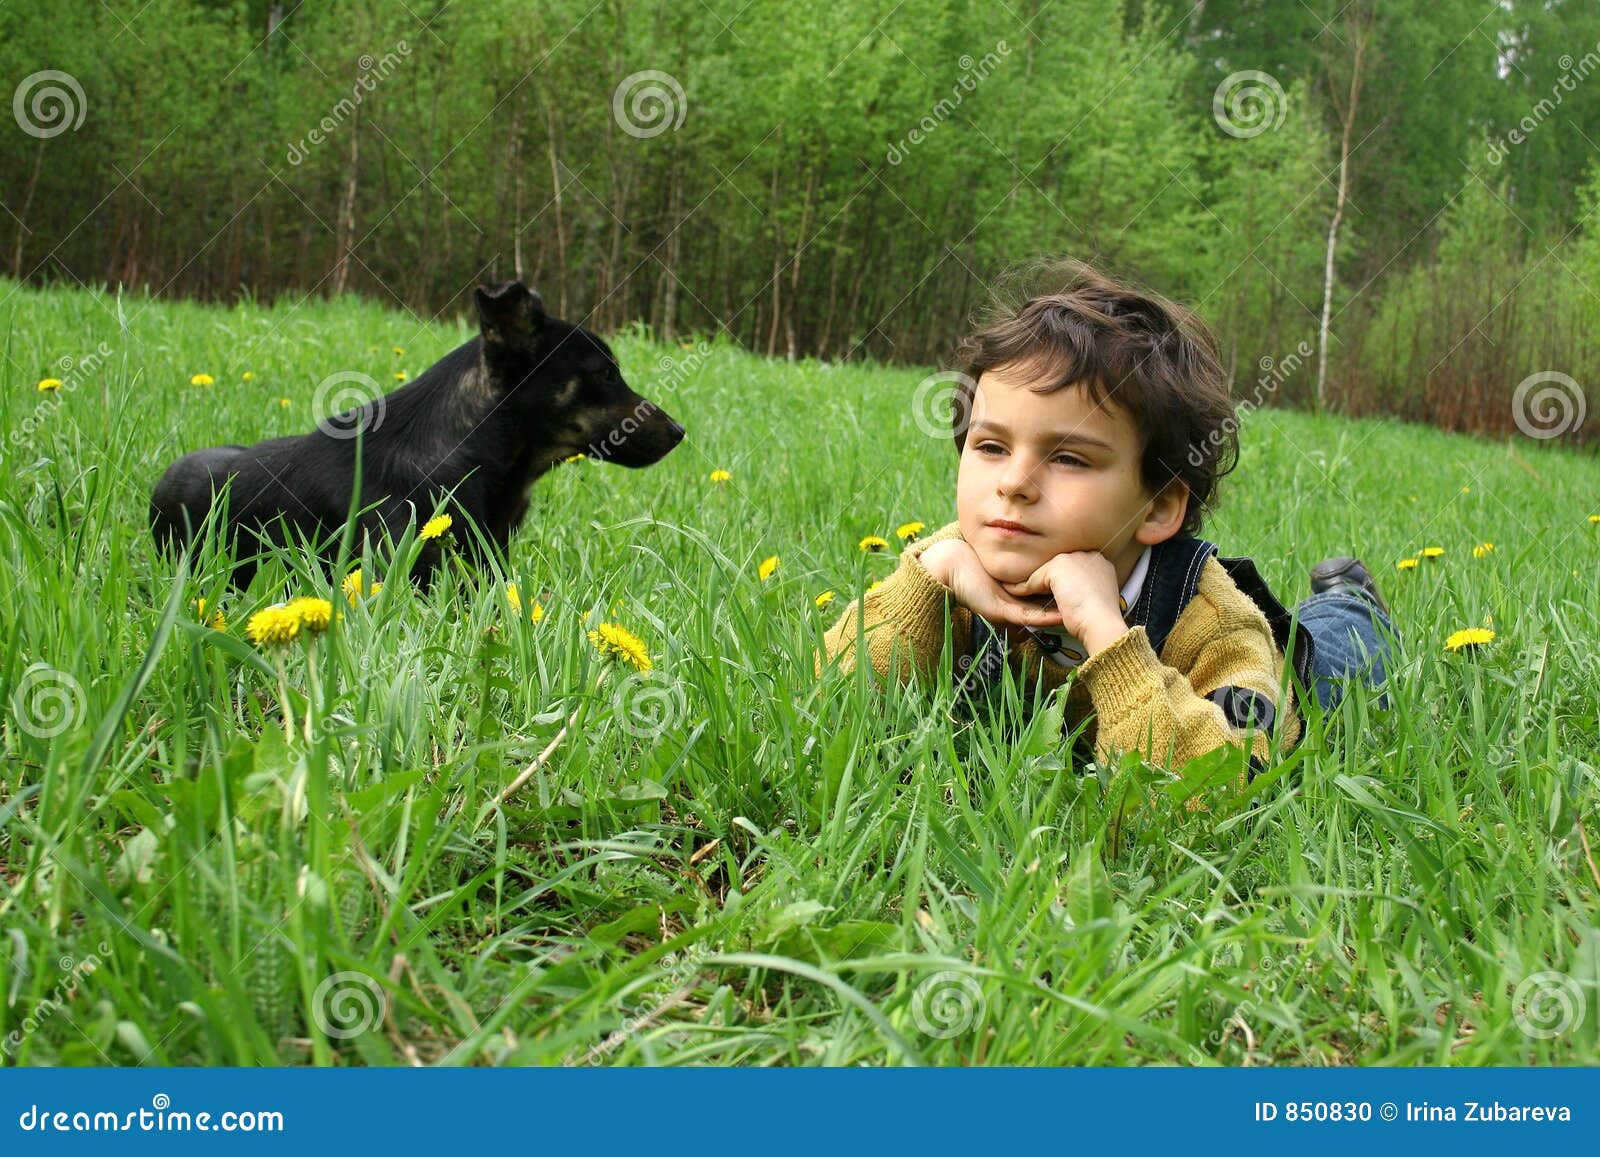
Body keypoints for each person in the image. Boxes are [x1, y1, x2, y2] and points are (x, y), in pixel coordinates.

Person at [817, 259, 1398, 796]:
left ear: (1158, 507)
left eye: (1069, 458)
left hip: (1306, 674)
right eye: (991, 445)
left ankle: (1354, 605)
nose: (1014, 482)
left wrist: (1105, 632)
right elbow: (837, 701)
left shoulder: (1216, 629)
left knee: (1339, 656)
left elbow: (1217, 787)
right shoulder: (956, 563)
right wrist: (929, 579)